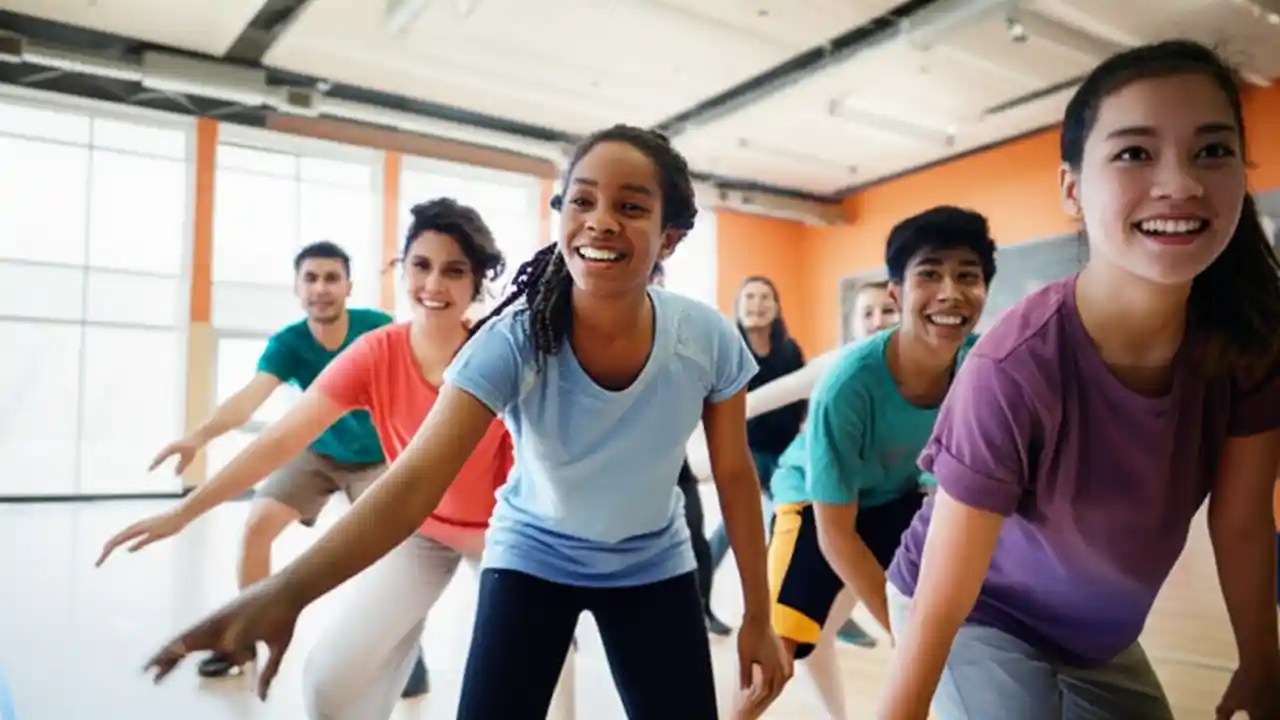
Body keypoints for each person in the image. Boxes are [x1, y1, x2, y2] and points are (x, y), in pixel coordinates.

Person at [141, 124, 792, 720]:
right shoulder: (511, 341)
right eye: (582, 201)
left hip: (653, 565)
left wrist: (758, 616)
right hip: (531, 557)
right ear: (560, 214)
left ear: (668, 236)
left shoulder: (704, 339)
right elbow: (416, 480)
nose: (600, 222)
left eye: (630, 206)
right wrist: (287, 590)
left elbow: (734, 474)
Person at [880, 40, 1280, 720]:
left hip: (1095, 635)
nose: (1180, 183)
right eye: (1134, 153)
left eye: (1212, 151)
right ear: (1072, 187)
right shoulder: (1015, 368)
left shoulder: (1249, 340)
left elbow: (1241, 522)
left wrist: (1262, 660)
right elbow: (944, 599)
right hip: (978, 613)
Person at [99, 199, 514, 718]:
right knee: (329, 682)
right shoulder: (375, 350)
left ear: (478, 281)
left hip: (502, 535)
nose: (434, 284)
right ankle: (265, 641)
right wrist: (184, 511)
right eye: (421, 266)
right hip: (421, 527)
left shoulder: (500, 348)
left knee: (520, 680)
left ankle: (417, 653)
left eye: (455, 271)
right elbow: (278, 438)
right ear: (402, 269)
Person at [133, 241, 426, 690]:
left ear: (349, 286)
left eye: (331, 278)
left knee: (388, 553)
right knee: (256, 528)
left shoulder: (376, 329)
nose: (321, 288)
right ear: (297, 287)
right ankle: (242, 639)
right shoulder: (289, 343)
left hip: (378, 456)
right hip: (317, 452)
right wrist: (198, 437)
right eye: (310, 278)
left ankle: (404, 653)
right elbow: (248, 402)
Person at [742, 207, 996, 720]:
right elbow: (836, 533)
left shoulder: (979, 365)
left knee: (962, 630)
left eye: (967, 276)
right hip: (815, 505)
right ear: (897, 294)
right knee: (777, 658)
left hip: (895, 498)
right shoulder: (848, 383)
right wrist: (905, 631)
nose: (950, 291)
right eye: (929, 274)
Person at [703, 276, 807, 636]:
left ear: (776, 306)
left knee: (794, 524)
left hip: (784, 453)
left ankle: (805, 603)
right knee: (733, 529)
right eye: (749, 297)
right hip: (742, 451)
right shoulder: (728, 346)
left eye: (765, 297)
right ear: (738, 305)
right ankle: (700, 601)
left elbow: (800, 400)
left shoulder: (790, 351)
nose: (757, 304)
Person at [650, 261, 725, 637]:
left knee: (696, 540)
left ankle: (703, 611)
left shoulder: (679, 340)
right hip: (624, 475)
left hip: (676, 467)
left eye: (657, 279)